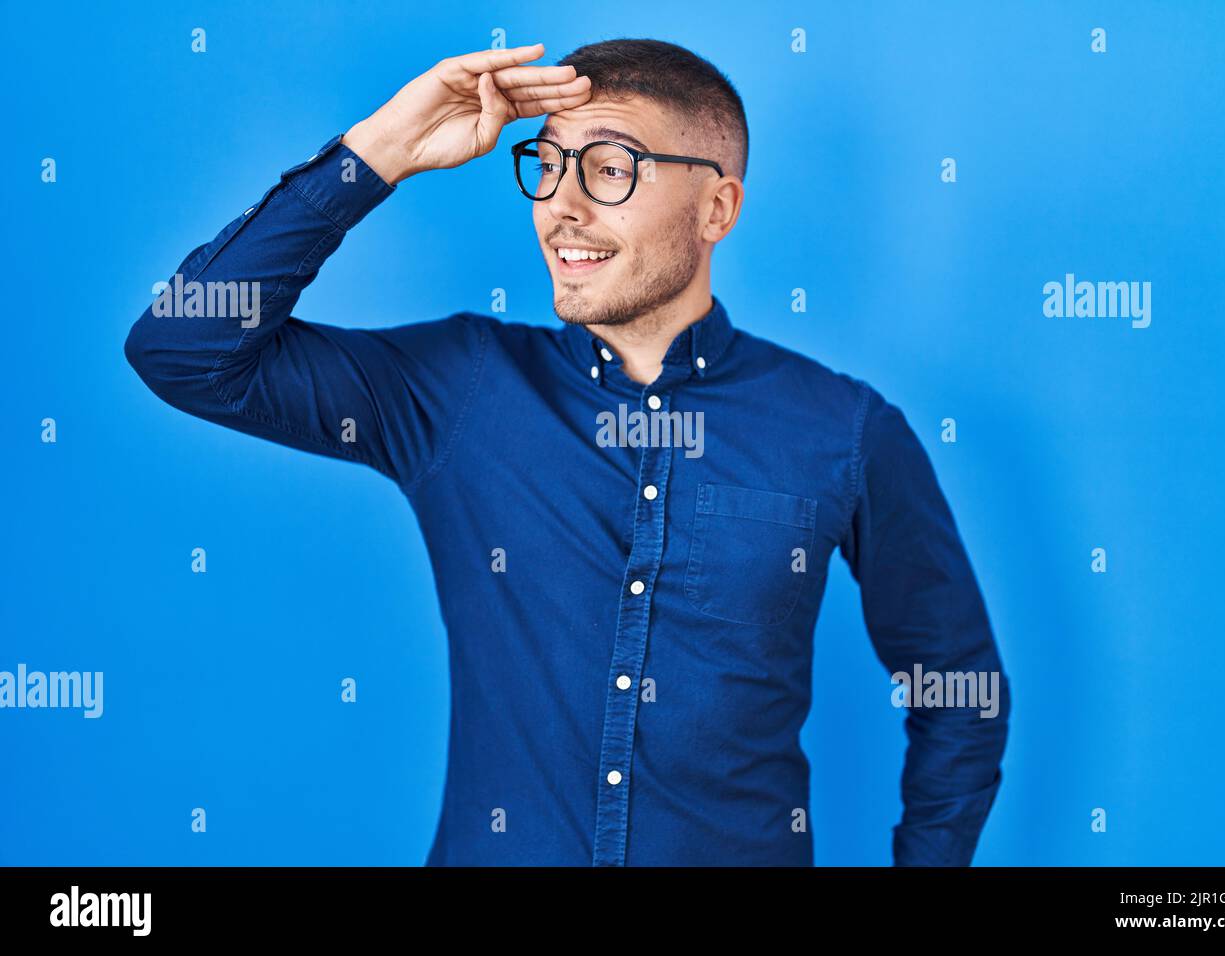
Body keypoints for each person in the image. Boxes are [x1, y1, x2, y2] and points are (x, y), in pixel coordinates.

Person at [124, 37, 1010, 866]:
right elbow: (182, 348)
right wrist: (380, 150)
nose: (562, 208)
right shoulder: (459, 389)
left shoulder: (845, 430)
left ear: (718, 206)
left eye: (611, 169)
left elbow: (960, 695)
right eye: (545, 167)